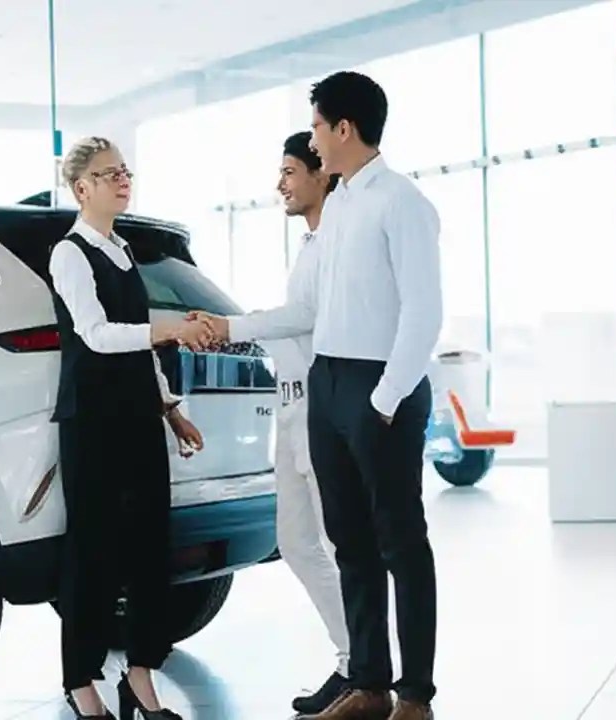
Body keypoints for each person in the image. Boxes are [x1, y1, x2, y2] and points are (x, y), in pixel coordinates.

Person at [192, 72, 443, 720]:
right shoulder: (342, 212)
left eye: (314, 128)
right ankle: (367, 683)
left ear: (343, 129)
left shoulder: (401, 203)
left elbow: (424, 312)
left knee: (400, 544)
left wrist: (385, 400)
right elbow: (306, 309)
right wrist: (231, 328)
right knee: (350, 543)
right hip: (331, 382)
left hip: (378, 386)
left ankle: (414, 696)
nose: (311, 140)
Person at [49, 135, 209, 720]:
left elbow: (138, 350)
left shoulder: (121, 251)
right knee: (91, 553)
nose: (123, 180)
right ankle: (82, 683)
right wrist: (168, 330)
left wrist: (170, 408)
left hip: (140, 416)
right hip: (93, 421)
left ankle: (139, 677)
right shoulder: (70, 254)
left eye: (125, 171)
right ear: (81, 187)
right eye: (109, 173)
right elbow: (95, 334)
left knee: (148, 553)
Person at [269, 131, 351, 715]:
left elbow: (304, 318)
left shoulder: (337, 244)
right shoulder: (309, 244)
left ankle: (361, 667)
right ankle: (354, 657)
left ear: (322, 174)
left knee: (337, 542)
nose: (281, 184)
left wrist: (231, 326)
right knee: (295, 542)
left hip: (321, 412)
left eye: (291, 171)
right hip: (290, 408)